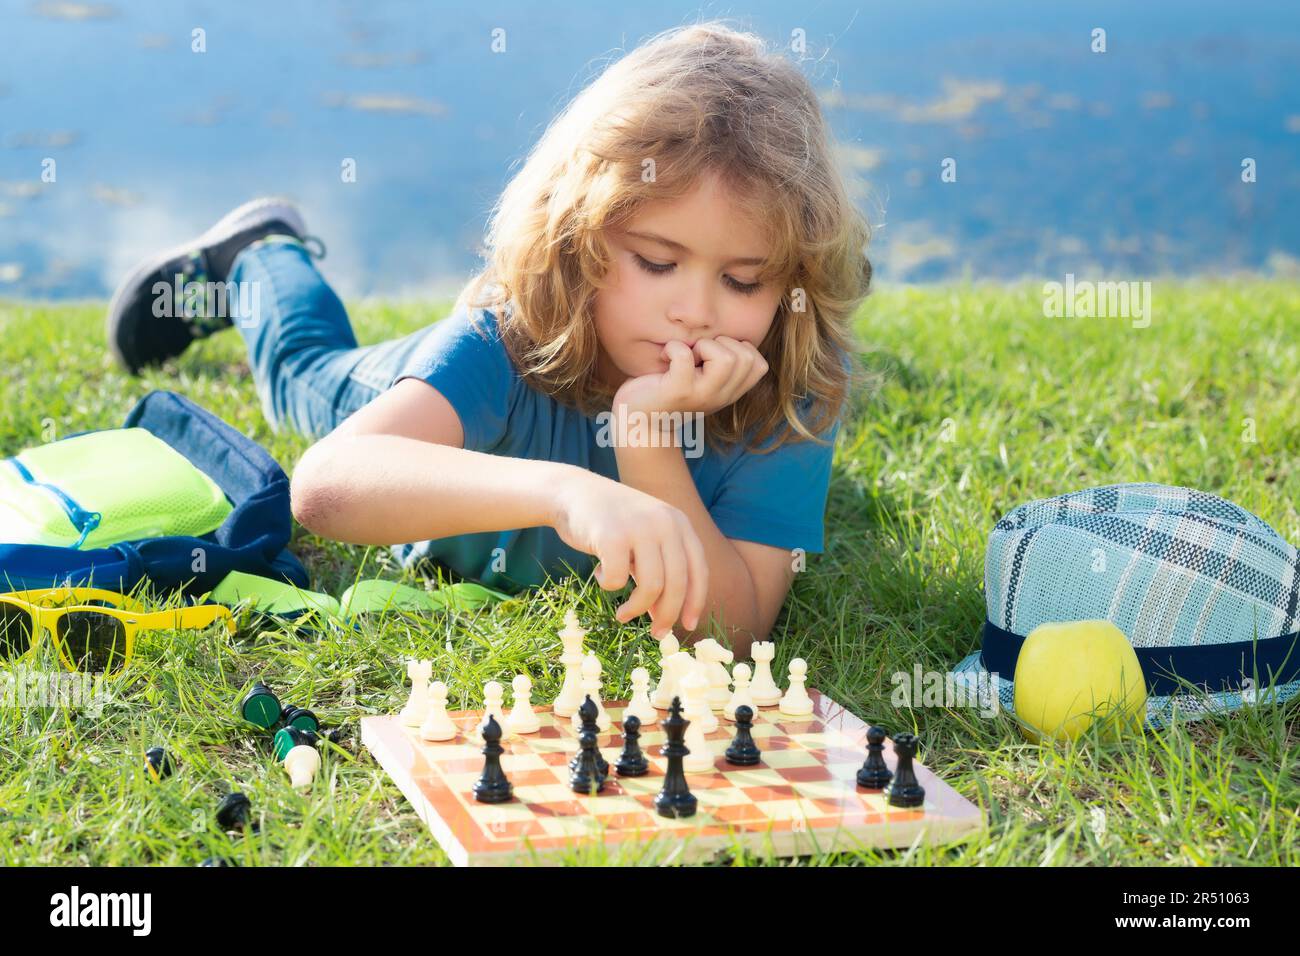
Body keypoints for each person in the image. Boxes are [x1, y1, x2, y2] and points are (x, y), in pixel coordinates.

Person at [105, 22, 872, 659]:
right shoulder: (505, 339)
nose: (696, 311)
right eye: (659, 263)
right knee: (301, 371)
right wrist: (565, 492)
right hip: (418, 392)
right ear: (578, 237)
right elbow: (328, 487)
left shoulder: (796, 388)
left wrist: (647, 436)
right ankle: (262, 252)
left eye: (744, 281)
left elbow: (734, 640)